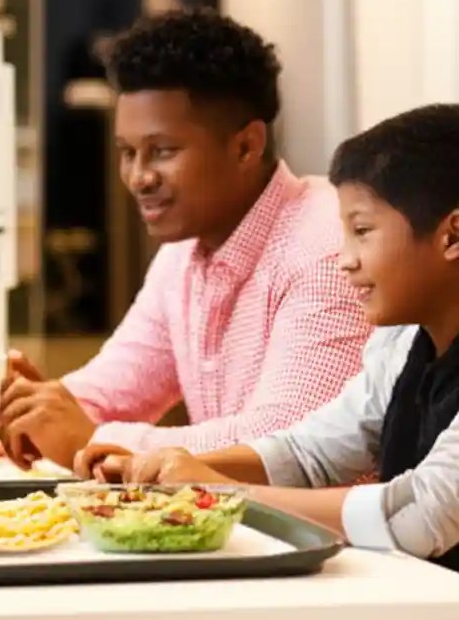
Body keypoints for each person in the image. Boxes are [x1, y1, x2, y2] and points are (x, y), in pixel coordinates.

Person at [76, 104, 459, 569]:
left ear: (452, 234)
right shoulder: (401, 340)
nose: (345, 259)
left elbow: (421, 514)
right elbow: (311, 452)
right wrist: (161, 468)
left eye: (362, 231)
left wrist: (218, 493)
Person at [0, 8, 371, 469]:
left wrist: (97, 438)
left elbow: (286, 441)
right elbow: (116, 387)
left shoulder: (323, 243)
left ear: (246, 146)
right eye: (127, 152)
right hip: (236, 532)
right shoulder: (184, 249)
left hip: (332, 538)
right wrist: (28, 412)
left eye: (163, 151)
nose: (138, 177)